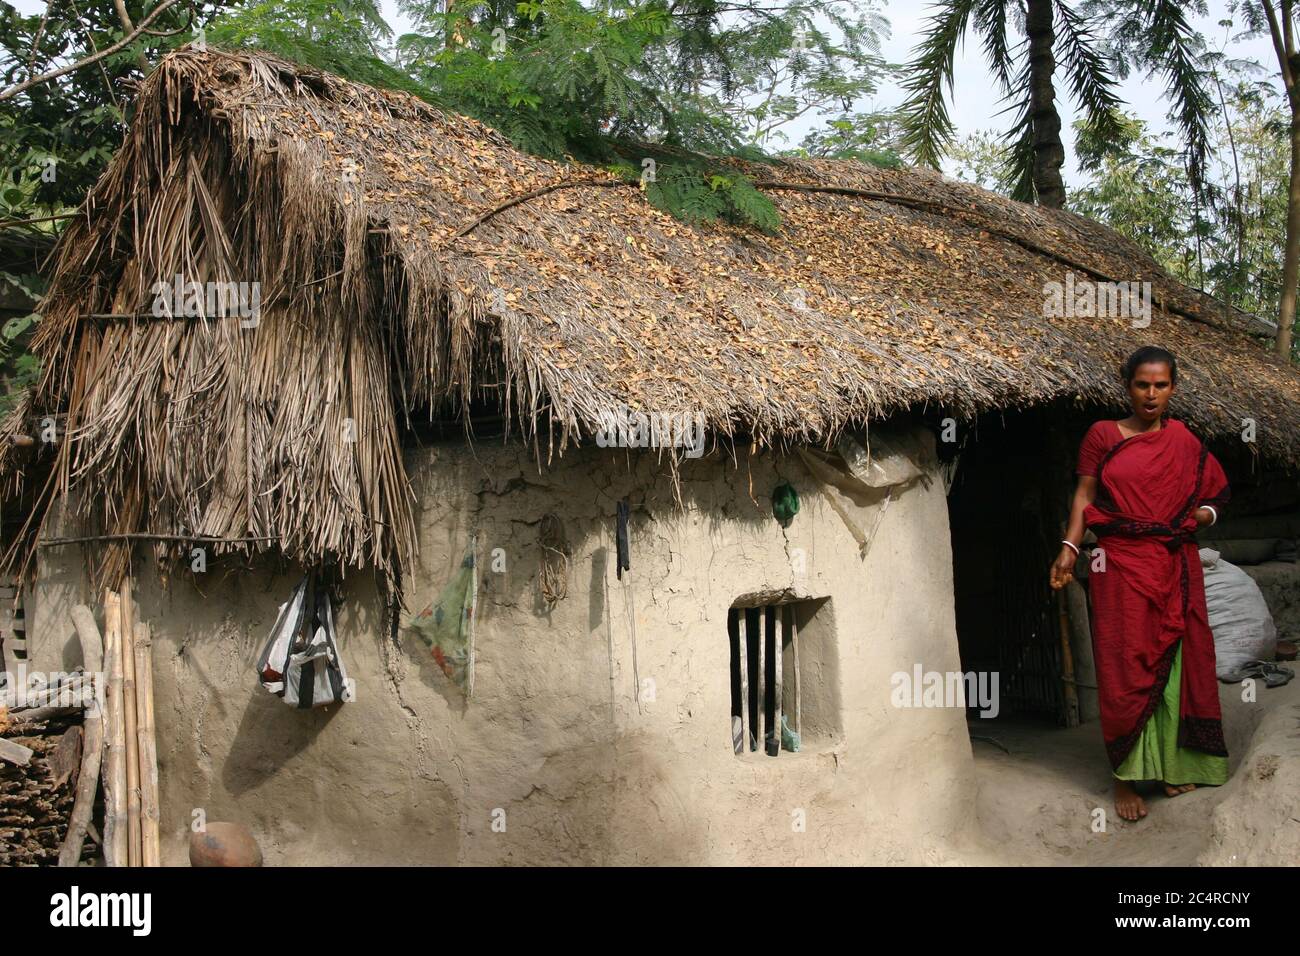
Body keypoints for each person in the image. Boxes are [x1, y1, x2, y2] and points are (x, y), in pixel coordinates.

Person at [1050, 346, 1230, 822]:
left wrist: (1204, 515)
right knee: (1125, 662)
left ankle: (1173, 764)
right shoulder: (1102, 435)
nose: (1151, 395)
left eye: (1161, 385)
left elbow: (1214, 495)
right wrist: (1070, 547)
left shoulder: (1185, 440)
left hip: (1175, 561)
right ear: (1127, 386)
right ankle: (1125, 776)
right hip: (1120, 562)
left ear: (1173, 388)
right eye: (1142, 385)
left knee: (1177, 661)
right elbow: (1085, 495)